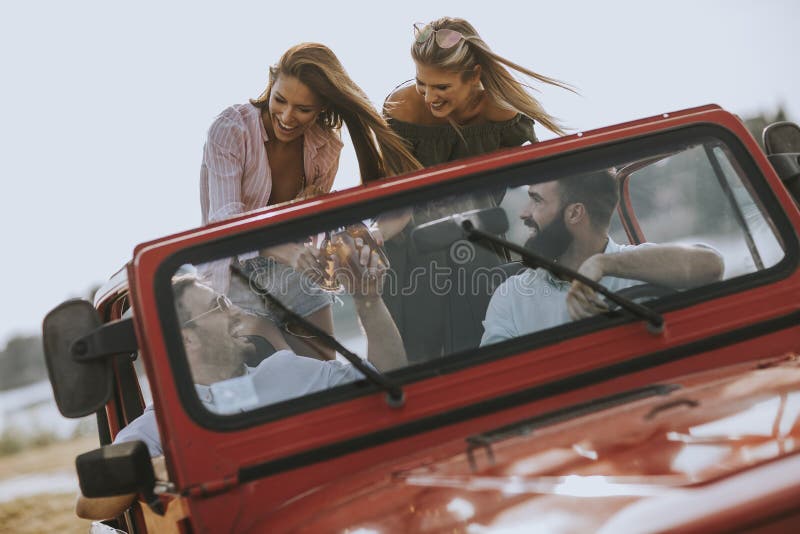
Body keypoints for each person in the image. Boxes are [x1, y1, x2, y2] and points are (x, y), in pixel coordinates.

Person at [76, 238, 405, 520]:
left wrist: (368, 299)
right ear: (186, 339)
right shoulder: (158, 426)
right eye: (219, 305)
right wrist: (162, 467)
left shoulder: (285, 370)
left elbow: (385, 381)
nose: (236, 311)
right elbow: (90, 505)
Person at [200, 42, 421, 361]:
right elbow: (224, 219)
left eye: (303, 109)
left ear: (322, 108)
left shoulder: (326, 145)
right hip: (233, 274)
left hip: (293, 273)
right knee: (276, 368)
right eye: (280, 100)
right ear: (271, 84)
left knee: (324, 371)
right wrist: (283, 249)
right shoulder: (231, 128)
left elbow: (309, 227)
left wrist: (339, 247)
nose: (287, 116)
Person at [378, 17, 577, 362]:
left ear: (474, 76)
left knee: (491, 347)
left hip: (478, 236)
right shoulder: (402, 107)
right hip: (411, 244)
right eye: (422, 83)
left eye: (441, 86)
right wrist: (374, 236)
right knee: (414, 360)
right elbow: (391, 193)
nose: (429, 97)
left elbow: (538, 182)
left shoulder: (503, 113)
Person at [480, 170, 726, 345]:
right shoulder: (511, 296)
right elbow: (494, 382)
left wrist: (604, 264)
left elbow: (712, 266)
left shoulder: (643, 264)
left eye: (536, 200)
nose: (524, 213)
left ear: (575, 213)